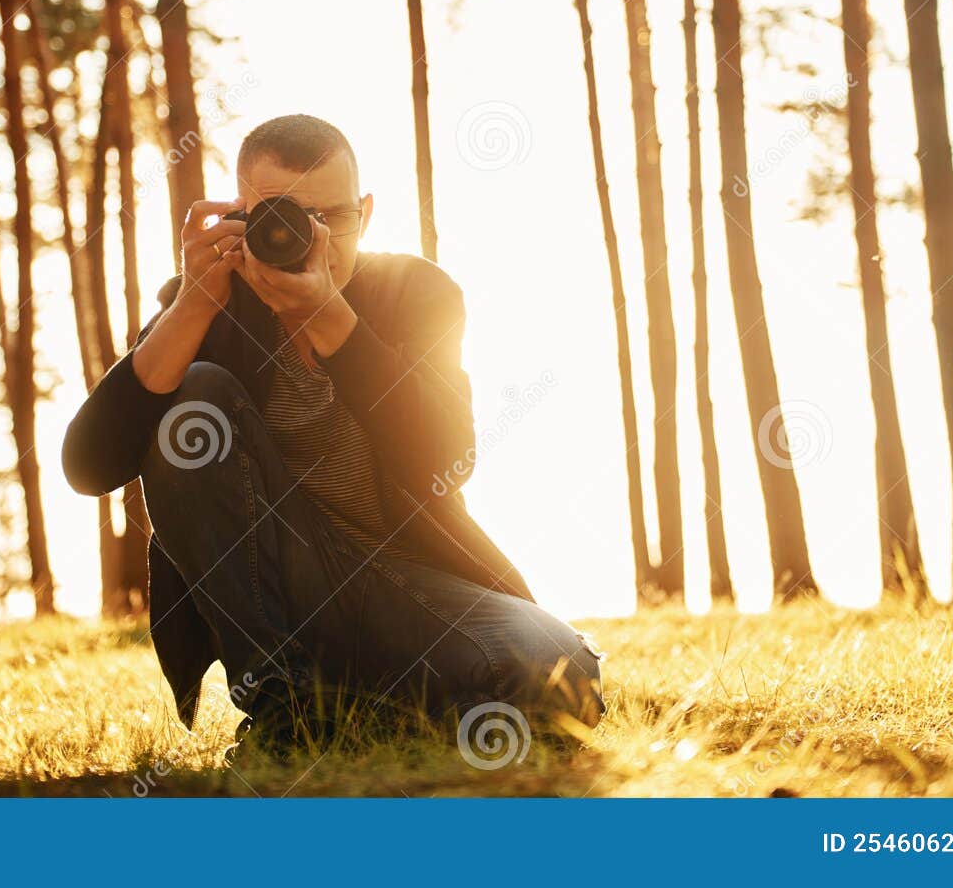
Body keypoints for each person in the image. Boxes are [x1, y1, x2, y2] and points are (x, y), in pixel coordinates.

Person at [63, 113, 603, 752]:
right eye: (287, 214)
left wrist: (329, 318)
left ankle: (363, 700)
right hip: (276, 591)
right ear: (242, 216)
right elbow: (88, 467)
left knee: (560, 670)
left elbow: (449, 459)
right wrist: (194, 306)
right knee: (194, 401)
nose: (314, 236)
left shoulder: (416, 293)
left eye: (335, 216)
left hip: (406, 584)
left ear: (366, 213)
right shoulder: (207, 304)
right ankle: (285, 712)